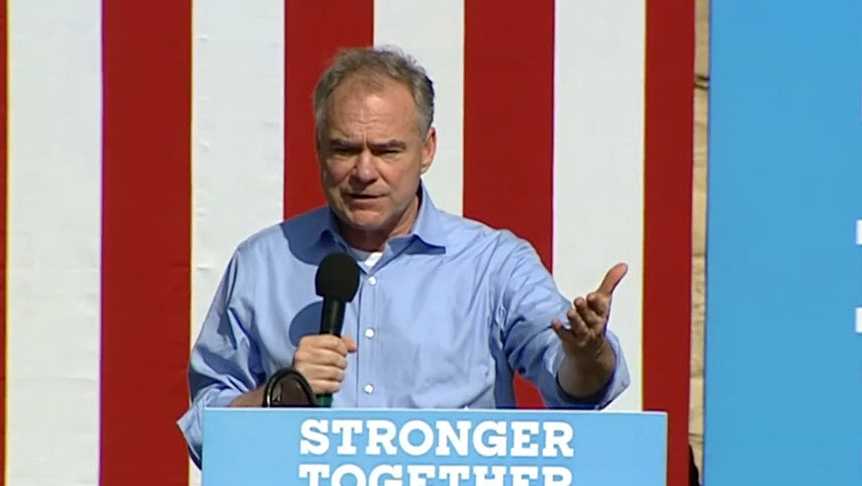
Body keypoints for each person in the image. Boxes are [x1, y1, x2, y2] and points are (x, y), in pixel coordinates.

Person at [178, 46, 630, 465]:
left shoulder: (493, 264)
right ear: (318, 149)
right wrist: (278, 396)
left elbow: (577, 388)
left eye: (387, 150)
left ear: (427, 149)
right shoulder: (263, 264)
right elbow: (205, 428)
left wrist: (588, 354)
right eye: (344, 149)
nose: (364, 171)